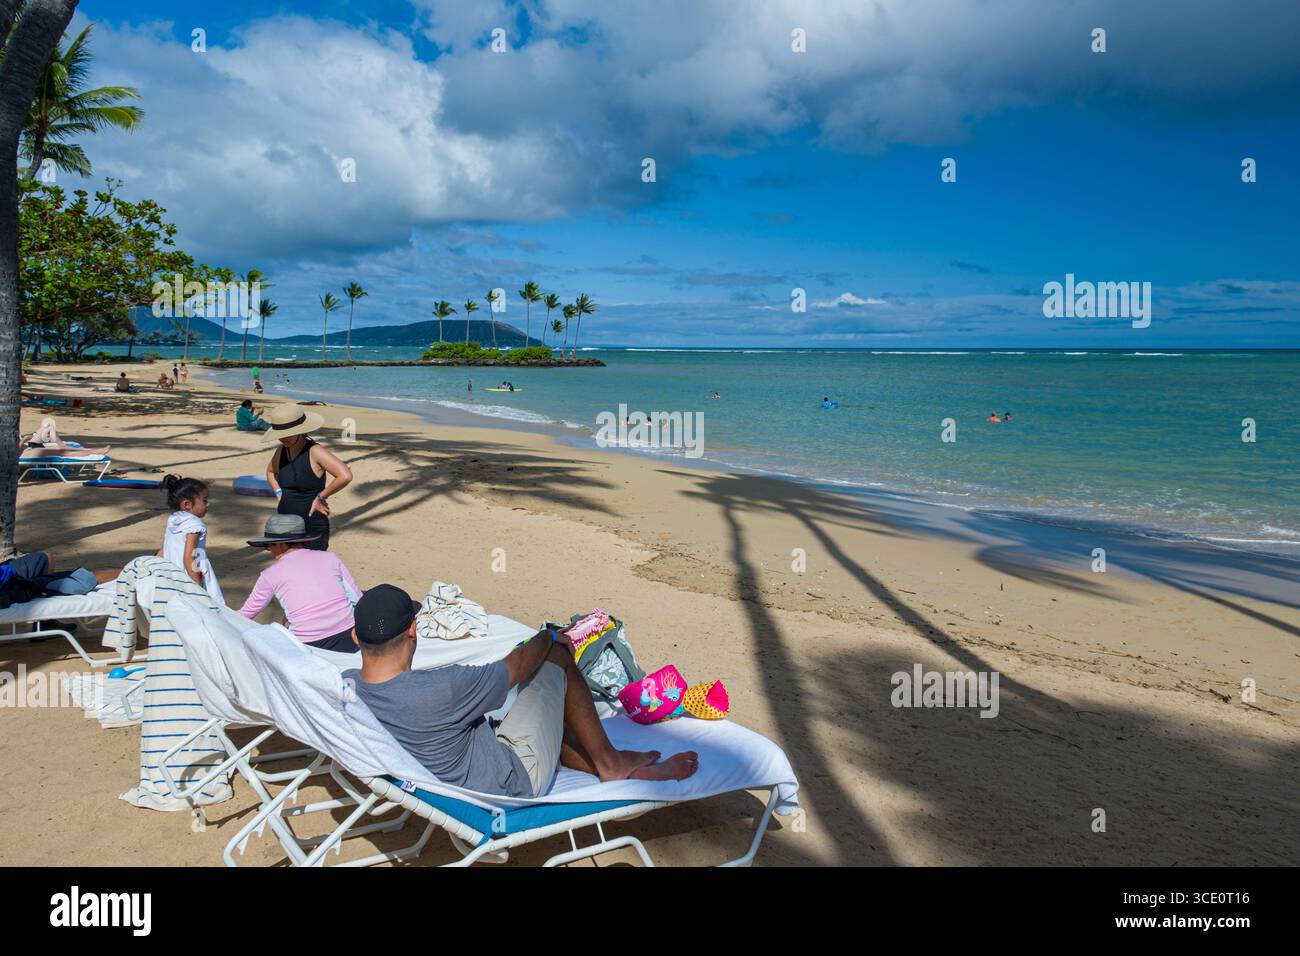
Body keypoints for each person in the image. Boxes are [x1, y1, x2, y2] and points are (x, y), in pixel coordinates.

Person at [347, 585, 700, 798]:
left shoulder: (348, 688)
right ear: (413, 631)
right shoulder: (443, 689)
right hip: (508, 783)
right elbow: (514, 669)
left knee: (552, 721)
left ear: (355, 638)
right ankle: (612, 762)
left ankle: (602, 761)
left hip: (453, 776)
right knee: (558, 657)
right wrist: (547, 636)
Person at [238, 515, 361, 653]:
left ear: (280, 544)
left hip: (309, 644)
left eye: (268, 545)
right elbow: (357, 598)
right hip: (350, 635)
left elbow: (246, 614)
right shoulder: (330, 558)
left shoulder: (269, 574)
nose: (269, 550)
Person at [263, 403, 353, 552]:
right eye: (280, 434)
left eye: (288, 432)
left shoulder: (314, 451)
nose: (283, 438)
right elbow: (271, 472)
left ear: (300, 430)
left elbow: (345, 476)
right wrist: (279, 493)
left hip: (311, 525)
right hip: (285, 524)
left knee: (313, 570)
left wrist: (321, 497)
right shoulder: (282, 450)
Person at [158, 474, 224, 604]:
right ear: (187, 504)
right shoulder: (194, 525)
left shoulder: (173, 519)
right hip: (189, 576)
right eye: (204, 500)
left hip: (172, 575)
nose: (208, 504)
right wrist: (198, 590)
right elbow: (189, 558)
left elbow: (164, 549)